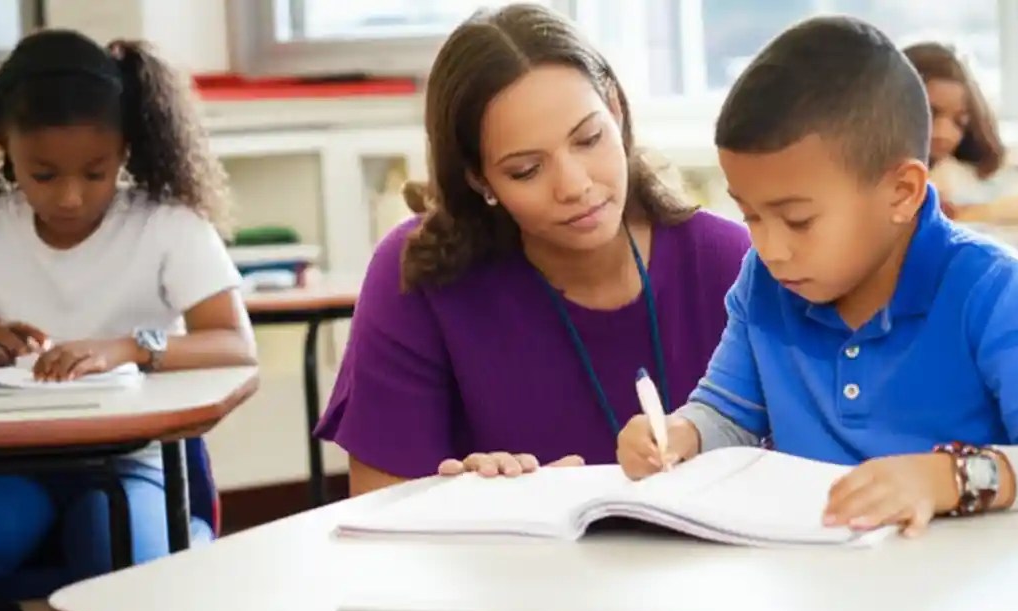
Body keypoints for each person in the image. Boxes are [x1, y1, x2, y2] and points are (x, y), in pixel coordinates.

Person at [615, 16, 1018, 537]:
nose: (770, 248)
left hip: (964, 593)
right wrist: (680, 433)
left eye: (798, 220)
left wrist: (951, 477)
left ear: (901, 193)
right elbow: (728, 416)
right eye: (751, 216)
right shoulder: (764, 283)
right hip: (817, 580)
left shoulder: (993, 291)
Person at [314, 4, 750, 496]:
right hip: (503, 572)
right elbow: (376, 513)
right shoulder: (418, 276)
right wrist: (473, 500)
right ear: (479, 179)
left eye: (589, 139)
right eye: (526, 170)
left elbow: (800, 479)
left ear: (616, 109)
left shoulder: (731, 263)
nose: (575, 185)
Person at [0, 30, 256, 611]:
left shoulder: (167, 227)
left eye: (97, 170)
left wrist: (132, 347)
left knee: (127, 576)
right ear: (3, 147)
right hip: (14, 467)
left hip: (131, 465)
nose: (73, 197)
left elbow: (234, 344)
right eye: (42, 174)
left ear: (127, 151)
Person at [903, 42, 1018, 224]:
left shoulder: (963, 176)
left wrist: (976, 212)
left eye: (959, 121)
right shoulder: (878, 183)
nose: (944, 133)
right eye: (931, 114)